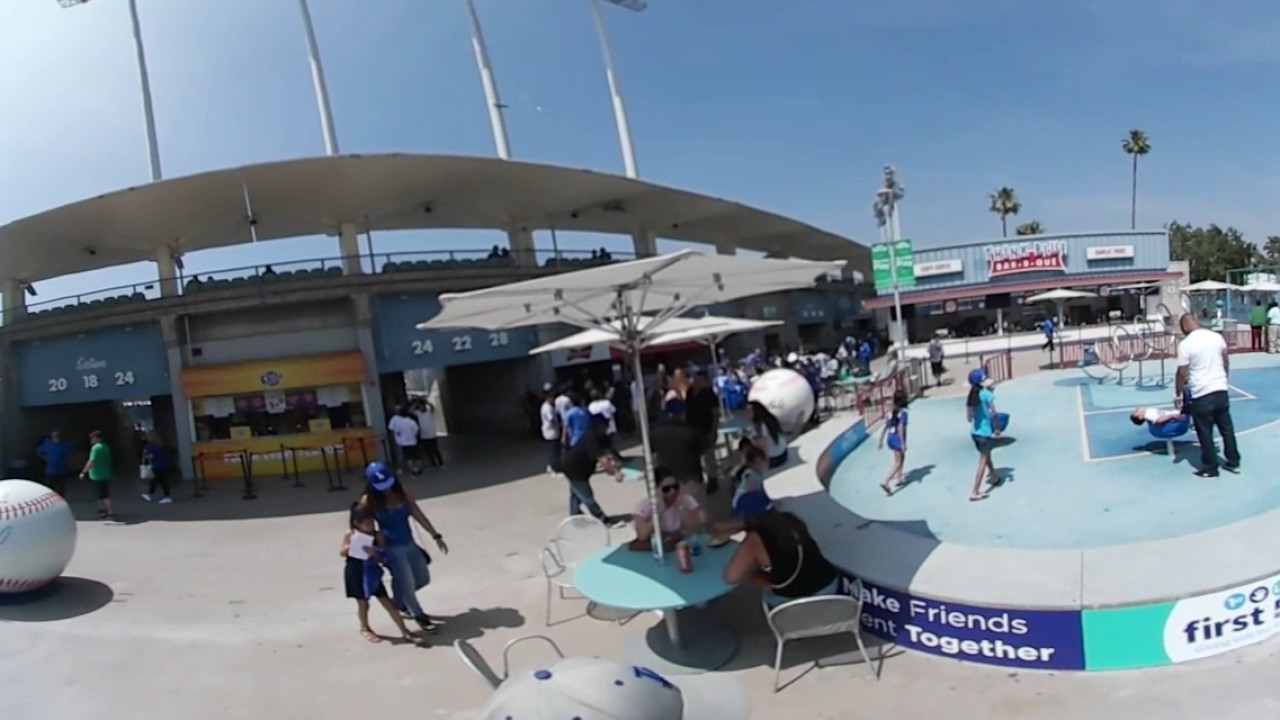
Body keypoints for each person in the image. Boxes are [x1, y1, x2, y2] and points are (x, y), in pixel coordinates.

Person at [358, 462, 449, 632]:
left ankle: (400, 601)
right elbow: (360, 522)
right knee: (406, 583)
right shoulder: (368, 501)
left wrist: (435, 535)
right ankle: (419, 616)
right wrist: (372, 542)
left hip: (409, 542)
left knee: (422, 578)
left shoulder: (402, 492)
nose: (385, 490)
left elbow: (417, 513)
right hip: (391, 548)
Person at [718, 509, 840, 607]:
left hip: (791, 604)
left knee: (765, 589)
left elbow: (731, 577)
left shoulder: (754, 540)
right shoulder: (790, 521)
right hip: (829, 588)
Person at [340, 503, 422, 645]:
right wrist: (349, 546)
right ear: (357, 523)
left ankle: (404, 630)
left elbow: (383, 557)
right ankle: (364, 627)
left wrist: (374, 553)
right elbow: (341, 552)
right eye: (367, 523)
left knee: (387, 602)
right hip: (355, 571)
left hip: (371, 572)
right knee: (363, 603)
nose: (370, 526)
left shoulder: (378, 536)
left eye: (372, 522)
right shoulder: (351, 534)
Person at [1175, 313, 1239, 477]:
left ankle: (1211, 467)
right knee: (1226, 428)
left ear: (1185, 326)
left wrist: (1178, 394)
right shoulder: (1216, 337)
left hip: (1202, 393)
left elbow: (1182, 373)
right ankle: (1233, 460)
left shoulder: (1186, 344)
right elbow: (1225, 360)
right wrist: (1224, 378)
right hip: (1220, 389)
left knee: (1205, 432)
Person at [559, 414, 624, 525]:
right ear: (597, 426)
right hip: (573, 468)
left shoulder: (601, 436)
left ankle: (575, 517)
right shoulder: (591, 438)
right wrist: (615, 472)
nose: (607, 427)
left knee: (576, 494)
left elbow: (610, 450)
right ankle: (603, 520)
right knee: (587, 496)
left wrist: (618, 460)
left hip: (582, 469)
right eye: (605, 425)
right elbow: (603, 459)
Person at [632, 467, 704, 546]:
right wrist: (659, 511)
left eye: (675, 487)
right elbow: (642, 536)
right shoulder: (645, 505)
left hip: (684, 545)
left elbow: (694, 528)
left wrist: (680, 506)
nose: (673, 491)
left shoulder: (686, 500)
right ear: (656, 489)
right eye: (666, 489)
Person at [684, 370, 721, 494]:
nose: (695, 382)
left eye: (699, 380)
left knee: (709, 457)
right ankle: (697, 477)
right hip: (692, 430)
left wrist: (714, 430)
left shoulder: (709, 395)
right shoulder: (690, 392)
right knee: (694, 456)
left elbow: (715, 413)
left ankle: (713, 480)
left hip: (706, 429)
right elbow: (687, 410)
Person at [966, 374, 1001, 502]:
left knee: (986, 455)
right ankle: (975, 491)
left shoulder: (971, 397)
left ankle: (994, 475)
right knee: (982, 460)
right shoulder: (986, 395)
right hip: (985, 433)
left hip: (975, 433)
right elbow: (994, 413)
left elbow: (969, 418)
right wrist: (997, 428)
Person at [878, 390, 909, 495]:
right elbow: (901, 429)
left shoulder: (890, 412)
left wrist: (880, 440)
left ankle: (899, 477)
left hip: (890, 438)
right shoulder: (903, 413)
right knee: (898, 462)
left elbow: (885, 426)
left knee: (901, 457)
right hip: (897, 439)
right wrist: (903, 443)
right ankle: (886, 482)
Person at [79, 430, 114, 520]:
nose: (91, 440)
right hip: (105, 473)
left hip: (97, 475)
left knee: (104, 495)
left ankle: (109, 512)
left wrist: (84, 472)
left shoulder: (96, 448)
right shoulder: (105, 446)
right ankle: (102, 510)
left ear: (96, 438)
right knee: (101, 494)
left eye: (92, 438)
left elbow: (92, 461)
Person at [731, 445, 772, 520]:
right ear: (751, 464)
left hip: (752, 496)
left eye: (761, 461)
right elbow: (752, 490)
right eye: (757, 462)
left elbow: (761, 488)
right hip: (743, 498)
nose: (760, 464)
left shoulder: (759, 472)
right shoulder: (749, 474)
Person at [747, 400, 788, 468]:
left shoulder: (758, 426)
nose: (747, 413)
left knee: (746, 445)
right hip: (784, 453)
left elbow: (763, 445)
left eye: (749, 411)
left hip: (774, 459)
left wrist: (765, 462)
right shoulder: (769, 419)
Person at [37, 430, 74, 497]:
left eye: (58, 436)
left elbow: (73, 452)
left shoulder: (65, 445)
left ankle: (61, 501)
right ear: (52, 437)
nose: (57, 437)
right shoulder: (47, 445)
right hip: (51, 470)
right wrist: (45, 458)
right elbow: (38, 451)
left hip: (62, 470)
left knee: (61, 488)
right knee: (50, 488)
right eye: (55, 436)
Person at [387, 405, 422, 475]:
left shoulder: (395, 419)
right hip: (413, 441)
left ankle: (411, 470)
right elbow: (416, 430)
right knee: (416, 457)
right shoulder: (411, 422)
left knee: (408, 457)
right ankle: (418, 469)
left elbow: (390, 429)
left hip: (402, 442)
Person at [140, 432, 174, 504]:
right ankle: (152, 494)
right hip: (162, 464)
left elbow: (150, 456)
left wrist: (145, 456)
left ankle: (151, 494)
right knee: (161, 481)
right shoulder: (161, 444)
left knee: (157, 481)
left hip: (156, 465)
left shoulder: (152, 446)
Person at [412, 397, 444, 469]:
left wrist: (427, 402)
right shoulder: (419, 413)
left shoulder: (429, 413)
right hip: (424, 435)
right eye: (420, 407)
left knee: (435, 450)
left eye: (422, 406)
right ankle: (434, 463)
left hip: (432, 435)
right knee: (428, 451)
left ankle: (441, 463)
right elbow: (410, 411)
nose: (421, 408)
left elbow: (432, 407)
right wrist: (416, 403)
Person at [539, 383, 562, 473]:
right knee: (554, 452)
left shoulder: (550, 406)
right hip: (551, 432)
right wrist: (559, 426)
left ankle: (552, 466)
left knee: (555, 450)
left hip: (553, 432)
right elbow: (551, 420)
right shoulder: (547, 407)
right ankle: (554, 468)